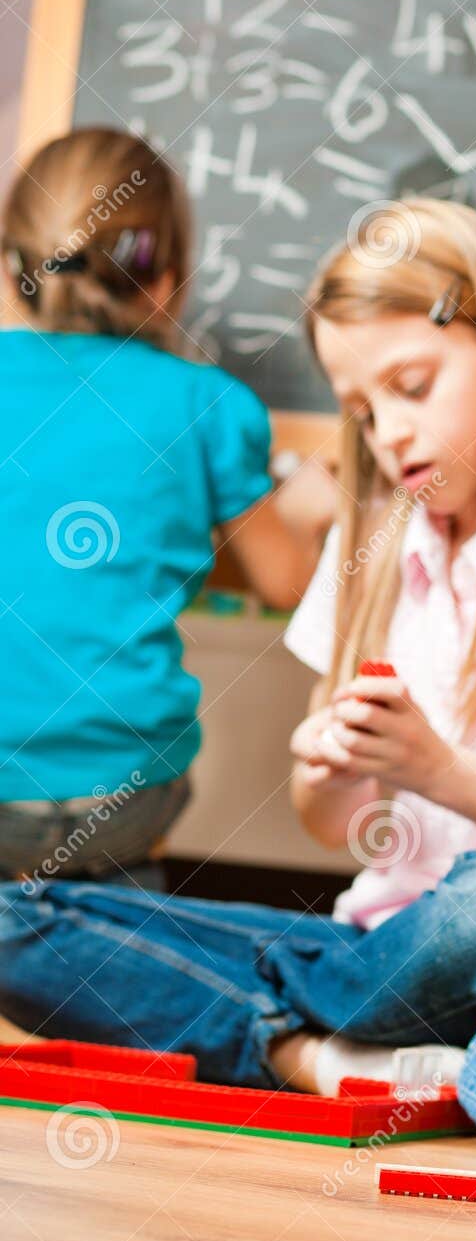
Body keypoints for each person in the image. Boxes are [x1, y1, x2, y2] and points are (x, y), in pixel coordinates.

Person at [0, 198, 476, 1094]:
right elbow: (331, 823)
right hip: (379, 951)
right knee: (12, 924)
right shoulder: (368, 551)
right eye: (362, 411)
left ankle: (276, 1022)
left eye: (411, 387)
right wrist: (329, 767)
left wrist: (441, 772)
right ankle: (319, 1055)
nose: (387, 434)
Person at [0, 127, 331, 889]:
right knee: (106, 891)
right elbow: (287, 587)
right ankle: (115, 951)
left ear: (15, 265)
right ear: (168, 277)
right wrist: (312, 509)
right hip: (120, 795)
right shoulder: (210, 406)